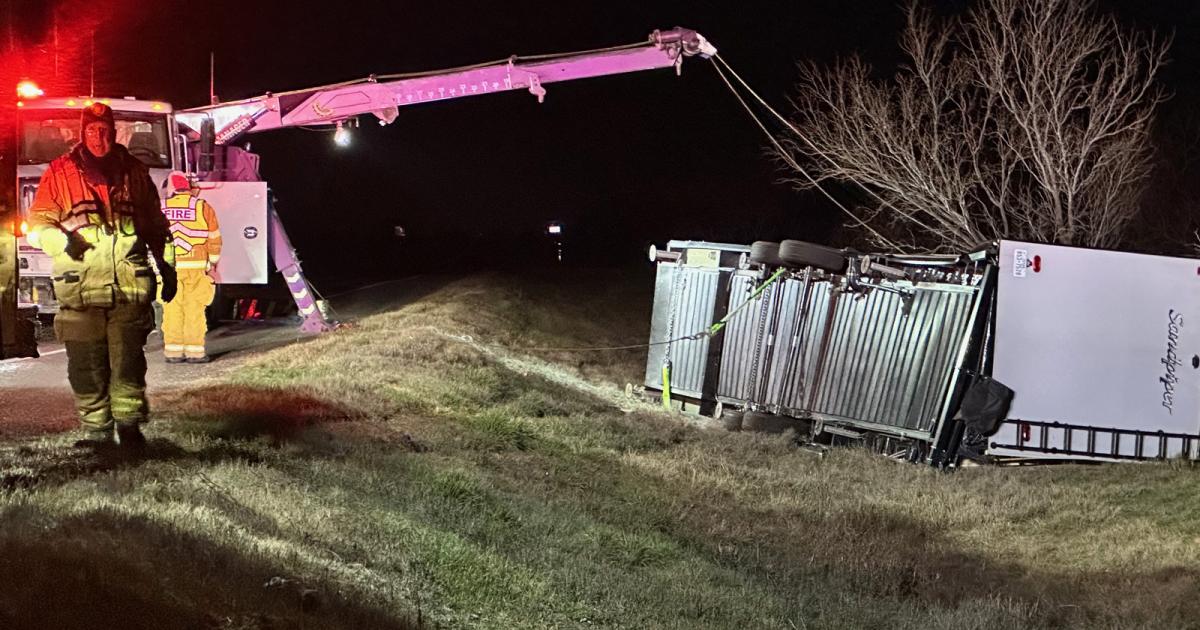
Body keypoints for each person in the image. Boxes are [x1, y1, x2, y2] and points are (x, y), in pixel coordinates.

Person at [26, 102, 176, 449]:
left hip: (128, 287)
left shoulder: (136, 173)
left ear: (114, 131)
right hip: (80, 288)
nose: (99, 137)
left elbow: (157, 227)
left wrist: (169, 271)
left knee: (128, 365)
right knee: (86, 369)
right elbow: (38, 224)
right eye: (92, 131)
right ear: (83, 133)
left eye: (104, 130)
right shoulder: (59, 172)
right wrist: (61, 243)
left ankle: (129, 429)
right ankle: (96, 434)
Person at [160, 171, 222, 363]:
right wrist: (212, 264)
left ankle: (174, 352)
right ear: (189, 187)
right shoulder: (202, 207)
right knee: (194, 309)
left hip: (169, 269)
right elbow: (214, 240)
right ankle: (195, 353)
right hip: (196, 269)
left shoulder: (160, 208)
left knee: (172, 310)